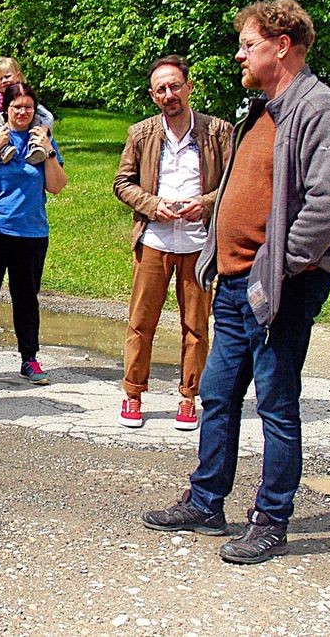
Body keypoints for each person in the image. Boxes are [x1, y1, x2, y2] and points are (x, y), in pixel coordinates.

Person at [142, 0, 330, 565]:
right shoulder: (260, 112)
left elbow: (327, 205)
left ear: (281, 46)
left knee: (278, 404)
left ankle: (270, 519)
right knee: (216, 393)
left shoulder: (320, 109)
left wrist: (277, 268)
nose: (239, 53)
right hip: (234, 284)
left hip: (280, 286)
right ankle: (208, 501)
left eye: (249, 44)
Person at [113, 55, 233, 430]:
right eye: (161, 89)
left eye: (175, 86)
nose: (170, 94)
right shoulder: (142, 134)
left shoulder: (218, 131)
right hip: (155, 238)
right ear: (153, 95)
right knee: (140, 322)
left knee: (196, 325)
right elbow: (122, 183)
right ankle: (133, 393)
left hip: (199, 244)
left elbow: (233, 182)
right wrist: (153, 206)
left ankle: (188, 397)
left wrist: (206, 204)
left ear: (189, 87)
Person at [0, 82, 68, 385]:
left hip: (30, 232)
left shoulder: (43, 138)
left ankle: (29, 358)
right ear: (5, 110)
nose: (22, 112)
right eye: (16, 107)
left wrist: (48, 152)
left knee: (26, 298)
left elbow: (57, 186)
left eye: (28, 107)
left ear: (35, 110)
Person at [0, 57, 55, 165]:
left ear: (17, 76)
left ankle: (35, 147)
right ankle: (3, 149)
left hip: (29, 129)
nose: (4, 81)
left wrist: (44, 128)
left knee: (37, 118)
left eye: (7, 76)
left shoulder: (24, 94)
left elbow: (47, 116)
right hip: (3, 130)